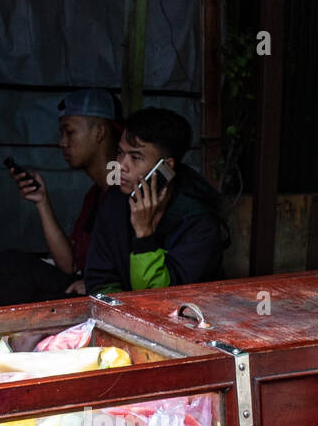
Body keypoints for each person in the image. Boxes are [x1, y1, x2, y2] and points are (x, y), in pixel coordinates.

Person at [0, 88, 122, 304]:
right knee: (10, 262)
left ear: (99, 132)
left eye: (69, 132)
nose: (62, 142)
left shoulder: (124, 191)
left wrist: (97, 284)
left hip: (110, 297)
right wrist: (42, 201)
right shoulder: (94, 196)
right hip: (84, 285)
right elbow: (69, 264)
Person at [83, 107, 225, 296]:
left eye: (135, 157)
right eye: (120, 153)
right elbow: (100, 278)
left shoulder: (198, 222)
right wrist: (118, 307)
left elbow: (160, 299)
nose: (121, 166)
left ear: (166, 168)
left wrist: (144, 237)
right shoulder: (116, 201)